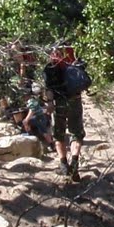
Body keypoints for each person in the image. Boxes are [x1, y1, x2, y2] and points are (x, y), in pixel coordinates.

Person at [43, 42, 85, 179]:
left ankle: (63, 165)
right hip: (75, 100)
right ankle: (75, 162)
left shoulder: (50, 68)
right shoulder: (76, 63)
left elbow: (49, 89)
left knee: (59, 134)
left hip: (59, 103)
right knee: (76, 133)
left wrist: (49, 103)